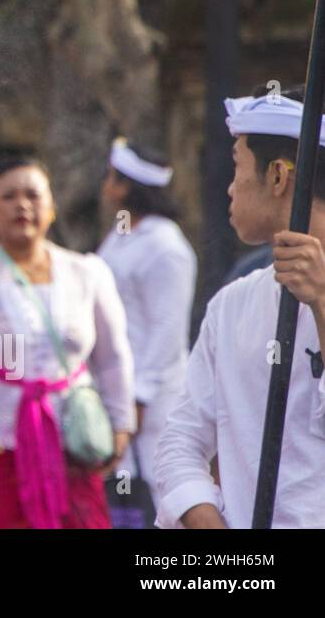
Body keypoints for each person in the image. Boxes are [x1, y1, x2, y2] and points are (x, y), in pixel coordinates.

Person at [0, 157, 135, 529]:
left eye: (33, 195)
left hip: (74, 445)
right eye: (9, 196)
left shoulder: (88, 272)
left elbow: (113, 357)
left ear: (51, 208)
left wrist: (121, 424)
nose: (22, 205)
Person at [155, 90, 325, 528]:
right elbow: (181, 440)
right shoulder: (232, 305)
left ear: (277, 177)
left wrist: (322, 303)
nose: (230, 187)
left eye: (237, 164)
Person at [96, 138, 196, 496]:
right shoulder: (120, 236)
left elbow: (167, 332)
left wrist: (139, 399)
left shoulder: (166, 247)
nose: (105, 185)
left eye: (111, 176)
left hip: (152, 405)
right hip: (117, 392)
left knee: (156, 492)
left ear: (126, 187)